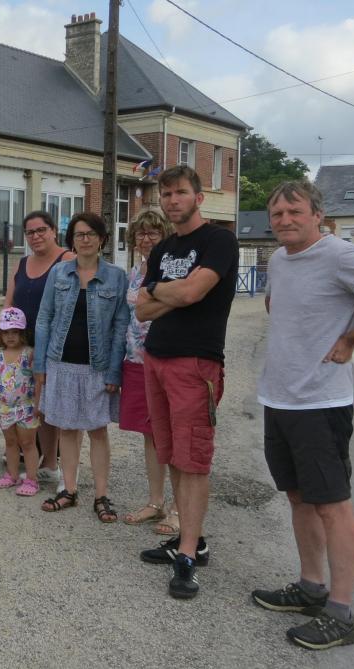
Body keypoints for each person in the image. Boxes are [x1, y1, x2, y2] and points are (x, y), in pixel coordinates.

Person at [251, 180, 354, 650]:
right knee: (299, 497)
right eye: (276, 214)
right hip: (279, 398)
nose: (284, 220)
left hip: (321, 403)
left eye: (294, 211)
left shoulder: (340, 255)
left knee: (333, 504)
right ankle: (310, 586)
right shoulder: (279, 259)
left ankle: (340, 613)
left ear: (318, 214)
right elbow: (278, 305)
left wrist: (353, 338)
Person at [135, 165, 239, 600]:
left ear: (199, 197)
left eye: (180, 192)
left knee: (194, 459)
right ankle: (186, 540)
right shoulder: (165, 248)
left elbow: (194, 294)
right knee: (173, 453)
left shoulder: (219, 241)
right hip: (156, 357)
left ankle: (190, 556)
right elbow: (141, 309)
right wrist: (166, 292)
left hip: (196, 362)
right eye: (166, 194)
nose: (172, 200)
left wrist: (162, 292)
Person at [33, 213, 128, 521]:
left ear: (102, 238)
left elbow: (120, 325)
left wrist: (114, 370)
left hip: (97, 368)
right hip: (60, 363)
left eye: (90, 234)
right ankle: (69, 490)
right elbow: (44, 318)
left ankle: (101, 495)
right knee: (67, 429)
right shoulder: (59, 273)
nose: (84, 239)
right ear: (71, 240)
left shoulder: (116, 277)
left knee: (97, 431)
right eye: (78, 234)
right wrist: (41, 366)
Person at [3, 211, 74, 486]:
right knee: (28, 403)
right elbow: (9, 304)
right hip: (22, 347)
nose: (36, 236)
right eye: (30, 232)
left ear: (54, 230)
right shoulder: (22, 264)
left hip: (54, 346)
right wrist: (3, 343)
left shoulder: (67, 260)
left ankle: (53, 463)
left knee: (49, 405)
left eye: (41, 230)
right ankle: (33, 453)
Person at [119, 211, 179, 533]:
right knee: (150, 435)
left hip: (167, 361)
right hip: (136, 362)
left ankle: (178, 509)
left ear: (165, 235)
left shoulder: (173, 270)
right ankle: (156, 502)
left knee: (175, 434)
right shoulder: (134, 271)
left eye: (153, 233)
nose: (146, 239)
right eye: (141, 234)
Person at [0, 307, 40, 496]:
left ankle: (32, 480)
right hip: (6, 408)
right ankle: (12, 475)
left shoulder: (29, 353)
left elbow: (39, 380)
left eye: (15, 332)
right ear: (0, 334)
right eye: (6, 332)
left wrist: (39, 404)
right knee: (10, 442)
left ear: (22, 333)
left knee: (28, 443)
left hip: (27, 407)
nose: (10, 336)